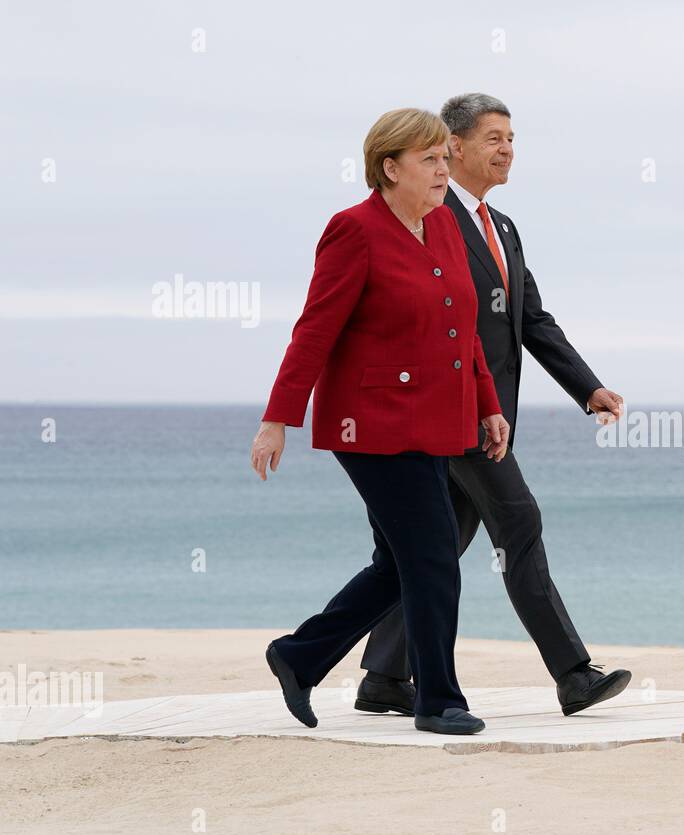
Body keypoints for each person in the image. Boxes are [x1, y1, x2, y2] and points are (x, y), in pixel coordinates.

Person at [357, 93, 630, 718]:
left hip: (491, 417)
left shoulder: (501, 226)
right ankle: (573, 674)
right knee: (520, 521)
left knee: (440, 543)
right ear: (452, 146)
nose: (507, 150)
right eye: (493, 138)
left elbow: (531, 320)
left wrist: (586, 387)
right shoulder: (430, 216)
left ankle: (381, 675)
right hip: (449, 413)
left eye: (512, 139)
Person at [250, 107, 510, 735]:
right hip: (368, 424)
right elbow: (314, 329)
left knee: (401, 563)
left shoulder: (444, 226)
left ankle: (300, 654)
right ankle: (438, 699)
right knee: (432, 557)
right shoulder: (354, 230)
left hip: (436, 419)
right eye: (430, 160)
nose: (444, 170)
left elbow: (464, 327)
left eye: (446, 159)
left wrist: (488, 404)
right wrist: (279, 417)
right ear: (390, 168)